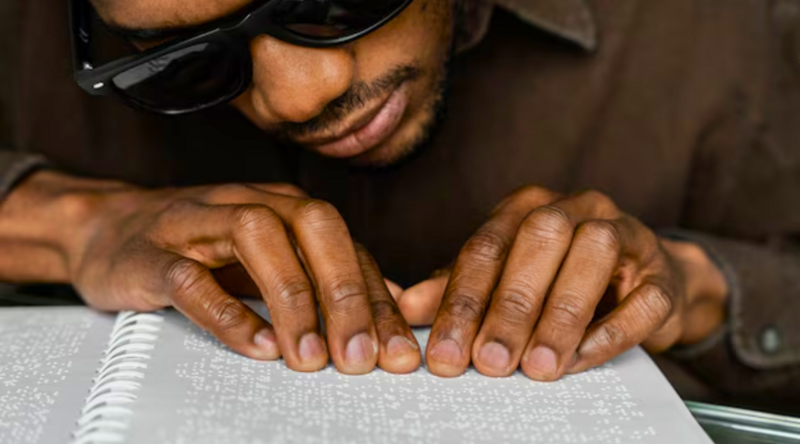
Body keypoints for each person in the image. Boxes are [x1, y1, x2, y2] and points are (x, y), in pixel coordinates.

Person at [1, 0, 798, 411]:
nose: (297, 96)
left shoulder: (727, 30)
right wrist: (75, 224)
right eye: (175, 61)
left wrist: (693, 290)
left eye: (330, 1)